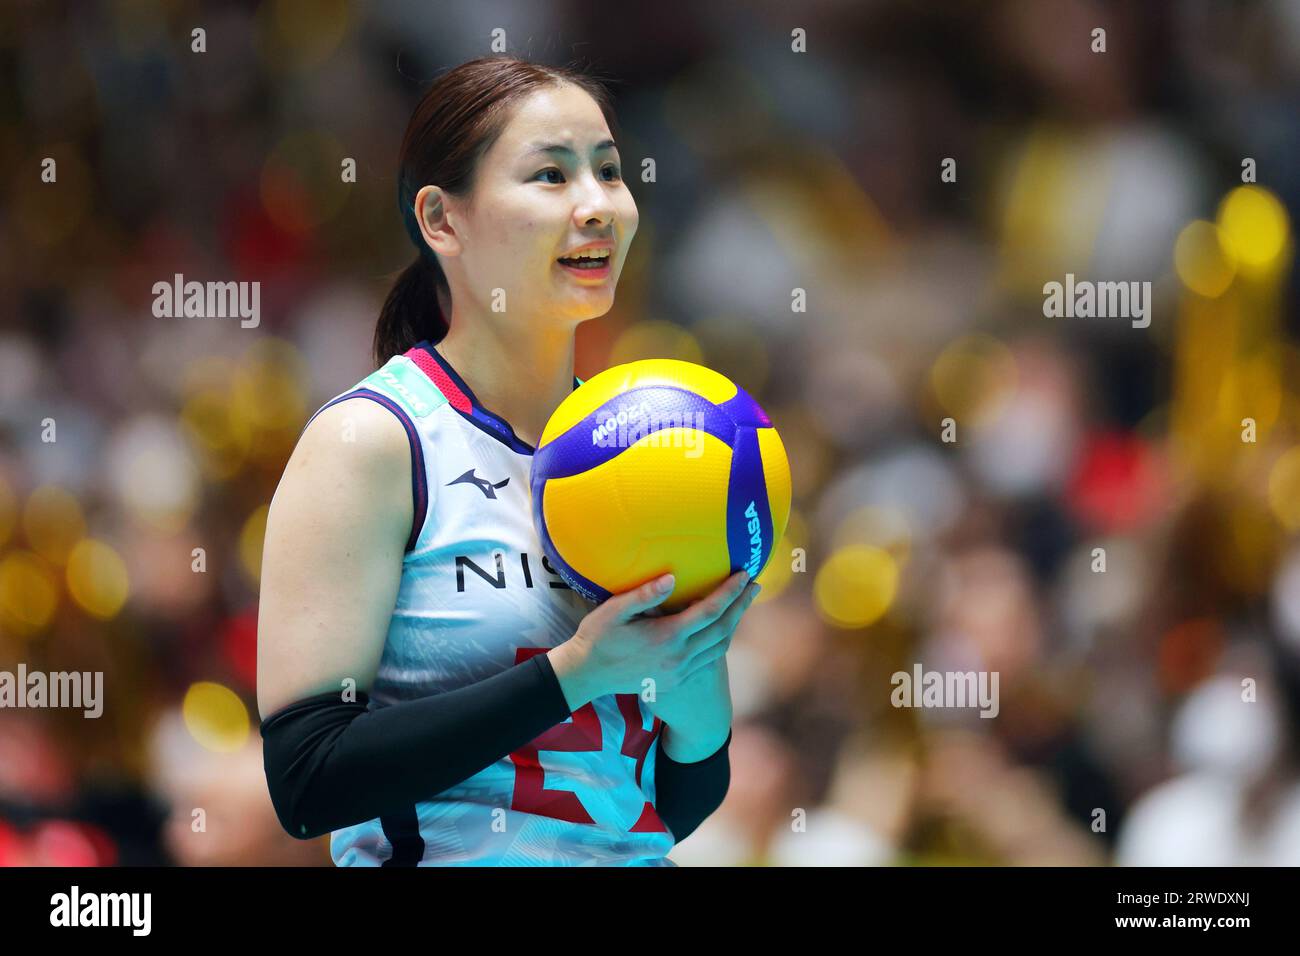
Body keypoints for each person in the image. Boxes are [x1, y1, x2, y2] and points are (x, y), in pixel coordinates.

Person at [256, 55, 760, 866]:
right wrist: (576, 673)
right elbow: (309, 781)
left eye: (609, 171)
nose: (598, 206)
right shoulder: (374, 441)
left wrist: (695, 689)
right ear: (441, 220)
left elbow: (665, 808)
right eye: (551, 177)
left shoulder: (655, 450)